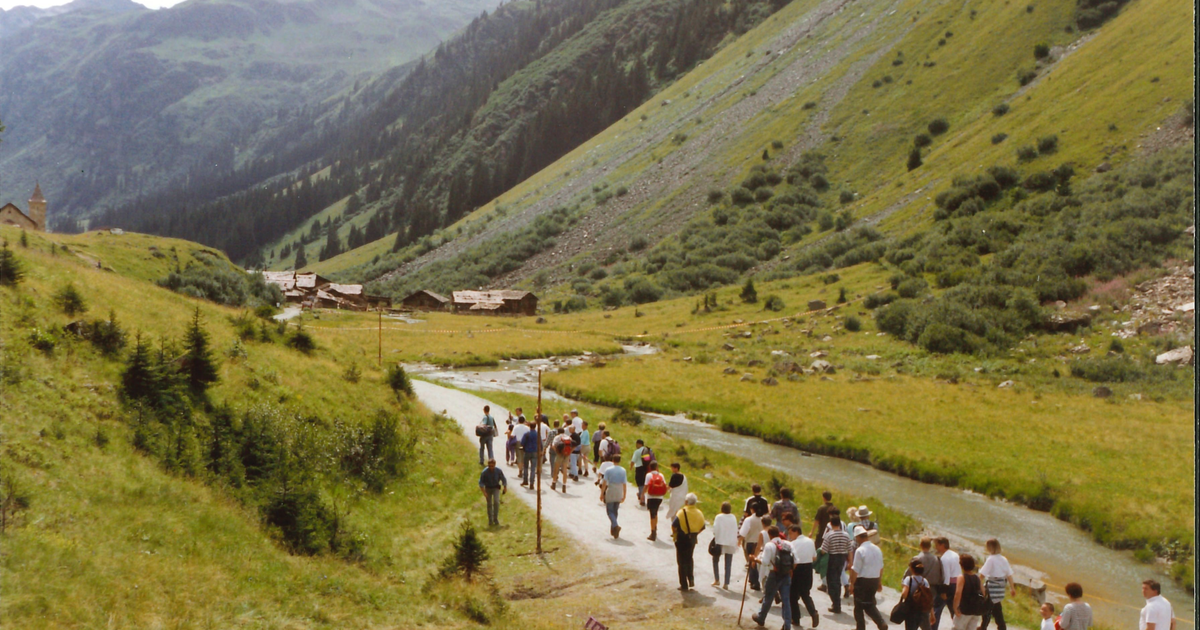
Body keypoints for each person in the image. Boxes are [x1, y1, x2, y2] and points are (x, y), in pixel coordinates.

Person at [752, 525, 794, 629]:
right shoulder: (788, 544)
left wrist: (755, 559)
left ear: (769, 534)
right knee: (786, 600)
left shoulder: (769, 545)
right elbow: (795, 560)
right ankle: (787, 625)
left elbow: (765, 562)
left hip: (774, 574)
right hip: (786, 574)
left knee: (768, 597)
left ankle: (761, 618)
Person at [849, 528, 887, 630]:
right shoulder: (877, 549)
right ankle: (881, 622)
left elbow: (855, 569)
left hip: (862, 581)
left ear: (857, 537)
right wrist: (879, 581)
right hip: (874, 580)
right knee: (869, 604)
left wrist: (852, 583)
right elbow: (881, 567)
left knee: (858, 607)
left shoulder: (860, 551)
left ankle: (860, 628)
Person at [787, 524, 820, 628]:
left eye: (790, 533)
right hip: (808, 568)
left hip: (797, 569)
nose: (790, 536)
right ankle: (813, 612)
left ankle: (796, 619)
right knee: (805, 594)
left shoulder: (792, 544)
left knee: (792, 595)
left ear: (795, 532)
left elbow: (793, 560)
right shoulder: (810, 541)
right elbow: (814, 557)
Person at [979, 539, 1016, 630]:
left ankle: (983, 627)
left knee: (987, 608)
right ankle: (1002, 627)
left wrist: (978, 584)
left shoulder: (991, 559)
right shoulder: (1004, 559)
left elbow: (982, 574)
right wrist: (1012, 588)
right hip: (1000, 587)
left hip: (991, 586)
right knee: (996, 607)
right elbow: (1009, 575)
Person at [820, 515, 852, 615]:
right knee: (837, 579)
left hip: (832, 559)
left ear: (831, 523)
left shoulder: (829, 535)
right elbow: (850, 550)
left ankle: (836, 603)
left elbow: (823, 550)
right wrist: (850, 562)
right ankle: (837, 603)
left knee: (831, 581)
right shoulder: (846, 535)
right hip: (842, 558)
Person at [673, 493, 705, 591]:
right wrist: (694, 534)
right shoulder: (699, 513)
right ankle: (691, 579)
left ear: (686, 502)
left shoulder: (681, 512)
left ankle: (684, 584)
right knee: (689, 558)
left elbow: (674, 525)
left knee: (681, 561)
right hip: (692, 539)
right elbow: (702, 527)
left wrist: (674, 535)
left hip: (682, 539)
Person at [951, 554, 987, 630]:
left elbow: (958, 593)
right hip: (975, 610)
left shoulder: (962, 577)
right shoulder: (977, 577)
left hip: (964, 609)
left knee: (957, 628)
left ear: (962, 565)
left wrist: (955, 607)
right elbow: (984, 593)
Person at [934, 537, 961, 630]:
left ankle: (933, 627)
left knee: (937, 609)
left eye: (937, 545)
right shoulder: (955, 555)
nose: (936, 547)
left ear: (942, 545)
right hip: (957, 584)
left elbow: (946, 576)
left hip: (948, 586)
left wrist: (943, 591)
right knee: (954, 610)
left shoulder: (944, 559)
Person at [901, 559, 935, 630]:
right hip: (923, 610)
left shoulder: (909, 579)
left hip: (912, 610)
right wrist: (932, 614)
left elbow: (904, 594)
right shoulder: (925, 581)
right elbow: (928, 598)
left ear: (912, 569)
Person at [712, 501, 739, 588]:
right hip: (731, 542)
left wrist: (715, 536)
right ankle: (726, 583)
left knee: (715, 560)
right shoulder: (733, 517)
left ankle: (717, 579)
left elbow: (715, 529)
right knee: (728, 563)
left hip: (720, 541)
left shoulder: (719, 517)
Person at [601, 454, 628, 538]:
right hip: (619, 490)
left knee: (609, 510)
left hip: (611, 488)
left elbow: (604, 482)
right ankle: (614, 531)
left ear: (612, 460)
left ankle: (615, 525)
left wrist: (602, 493)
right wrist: (624, 494)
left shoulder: (608, 470)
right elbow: (624, 483)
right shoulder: (623, 470)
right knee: (615, 510)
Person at [740, 508, 765, 591]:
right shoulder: (762, 520)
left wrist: (740, 540)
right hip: (759, 542)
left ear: (752, 510)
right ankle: (752, 579)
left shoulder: (749, 520)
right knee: (755, 561)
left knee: (751, 561)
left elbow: (743, 532)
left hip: (750, 541)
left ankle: (754, 581)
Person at [478, 458, 507, 526]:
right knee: (489, 504)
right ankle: (490, 520)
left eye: (492, 466)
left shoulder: (498, 471)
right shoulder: (484, 472)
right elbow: (481, 483)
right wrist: (484, 492)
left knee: (496, 502)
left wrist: (505, 487)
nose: (491, 467)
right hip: (488, 488)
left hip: (495, 488)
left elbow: (503, 479)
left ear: (494, 465)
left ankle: (495, 519)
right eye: (490, 466)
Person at [644, 461, 669, 541]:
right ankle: (655, 528)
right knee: (656, 512)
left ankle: (653, 532)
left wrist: (642, 494)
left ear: (650, 467)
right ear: (657, 467)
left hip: (651, 496)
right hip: (659, 497)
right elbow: (665, 485)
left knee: (652, 515)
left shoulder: (648, 475)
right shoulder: (661, 475)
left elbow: (646, 486)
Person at [630, 439, 652, 506]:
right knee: (644, 482)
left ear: (639, 444)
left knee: (640, 483)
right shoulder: (647, 450)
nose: (636, 445)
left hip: (639, 468)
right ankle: (640, 494)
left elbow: (633, 461)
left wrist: (631, 467)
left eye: (636, 444)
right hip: (646, 468)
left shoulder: (637, 451)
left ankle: (642, 498)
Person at [519, 418, 540, 488]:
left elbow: (522, 443)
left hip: (527, 451)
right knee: (533, 468)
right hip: (535, 452)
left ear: (529, 426)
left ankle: (525, 481)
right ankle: (532, 483)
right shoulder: (537, 434)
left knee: (526, 467)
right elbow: (540, 444)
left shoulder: (527, 434)